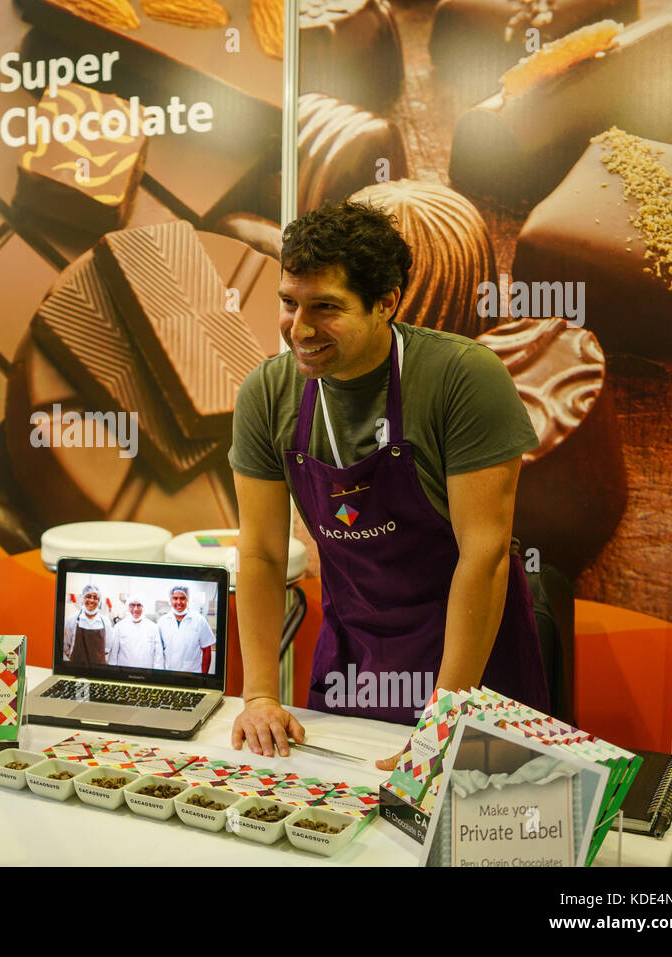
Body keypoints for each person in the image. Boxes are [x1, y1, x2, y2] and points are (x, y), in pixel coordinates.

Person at [228, 202, 549, 766]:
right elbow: (258, 552)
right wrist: (258, 695)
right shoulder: (267, 393)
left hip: (471, 658)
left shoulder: (461, 378)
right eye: (288, 303)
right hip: (357, 655)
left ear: (386, 303)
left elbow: (486, 554)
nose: (298, 329)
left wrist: (448, 720)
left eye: (325, 307)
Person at [157, 584, 216, 674]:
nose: (179, 602)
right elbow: (159, 651)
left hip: (192, 674)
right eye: (175, 598)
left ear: (187, 599)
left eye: (182, 598)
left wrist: (204, 677)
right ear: (170, 600)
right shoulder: (162, 622)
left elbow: (206, 650)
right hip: (169, 673)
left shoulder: (199, 620)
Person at [63, 584, 113, 666]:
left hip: (98, 669)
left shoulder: (105, 621)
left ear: (99, 601)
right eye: (88, 596)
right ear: (83, 598)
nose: (91, 600)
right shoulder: (72, 619)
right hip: (76, 668)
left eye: (95, 598)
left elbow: (108, 647)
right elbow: (65, 644)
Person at [111, 597, 162, 669]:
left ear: (143, 607)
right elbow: (113, 654)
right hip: (123, 673)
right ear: (128, 607)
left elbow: (158, 655)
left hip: (146, 673)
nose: (135, 609)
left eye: (139, 605)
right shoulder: (119, 627)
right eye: (132, 605)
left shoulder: (153, 627)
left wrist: (157, 675)